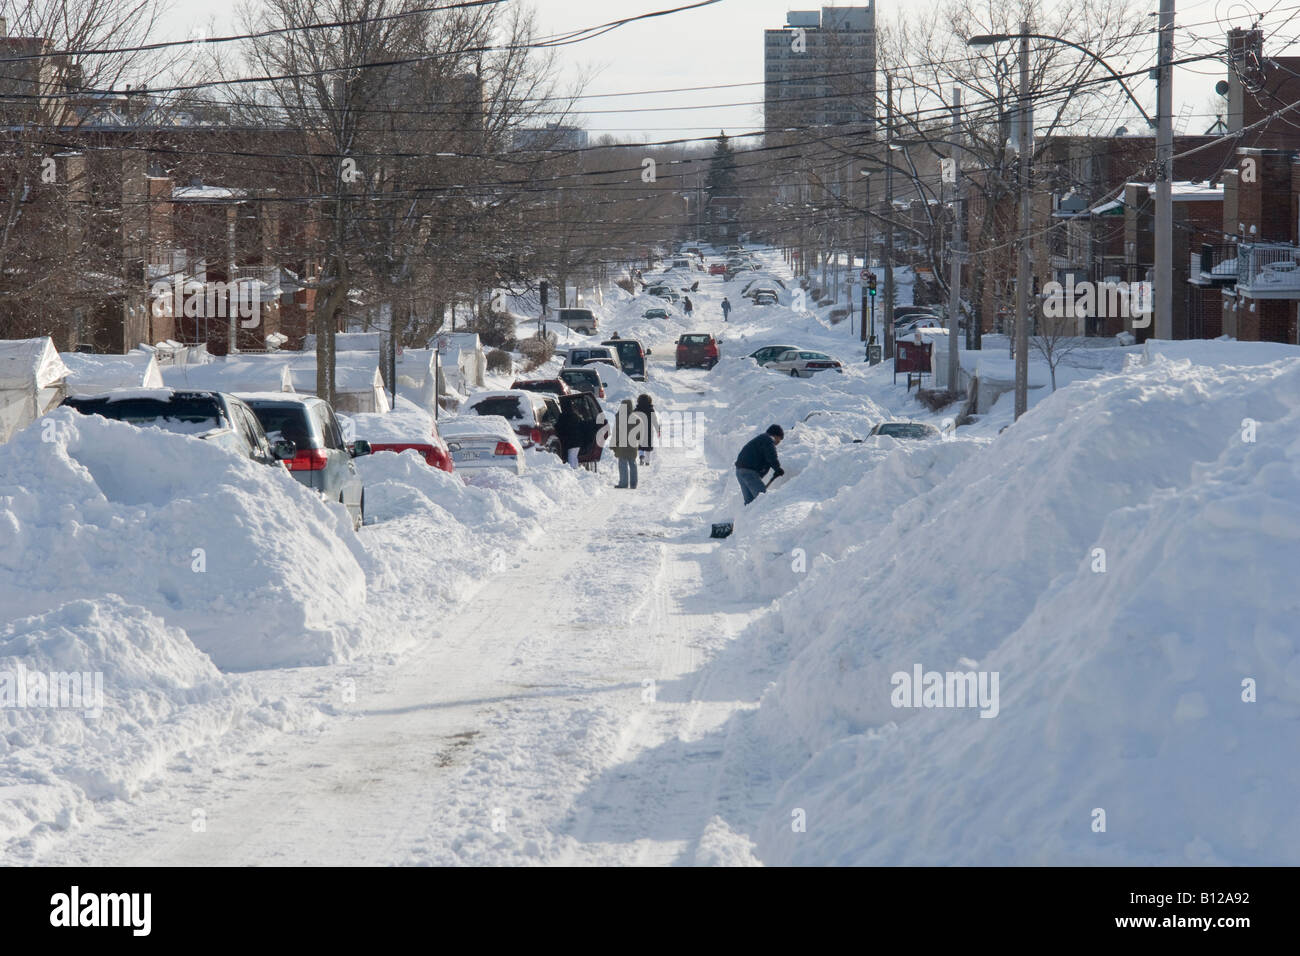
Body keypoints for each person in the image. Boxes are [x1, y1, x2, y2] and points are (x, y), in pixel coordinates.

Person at [734, 424, 784, 505]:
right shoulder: (768, 439)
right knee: (763, 501)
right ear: (775, 435)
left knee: (750, 503)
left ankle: (746, 517)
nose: (778, 443)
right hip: (749, 472)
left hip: (740, 471)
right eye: (779, 439)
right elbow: (771, 456)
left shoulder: (761, 439)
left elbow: (766, 457)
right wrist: (777, 468)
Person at [612, 398, 641, 489]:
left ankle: (623, 483)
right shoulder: (636, 419)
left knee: (622, 464)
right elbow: (639, 434)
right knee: (633, 464)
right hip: (633, 445)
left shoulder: (619, 417)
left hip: (622, 445)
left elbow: (616, 432)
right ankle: (633, 484)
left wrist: (613, 444)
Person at [634, 393, 658, 465]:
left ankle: (641, 456)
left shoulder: (636, 409)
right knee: (648, 446)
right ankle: (647, 461)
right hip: (648, 430)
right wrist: (657, 429)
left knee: (640, 445)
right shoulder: (651, 410)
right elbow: (654, 420)